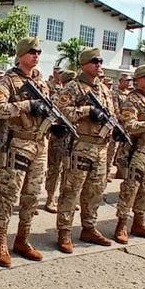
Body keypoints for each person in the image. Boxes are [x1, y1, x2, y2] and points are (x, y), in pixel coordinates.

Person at [0, 36, 52, 267]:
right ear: (21, 54)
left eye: (39, 52)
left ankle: (23, 239)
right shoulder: (8, 80)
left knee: (33, 195)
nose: (36, 55)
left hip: (39, 144)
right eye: (32, 51)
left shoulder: (42, 82)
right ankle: (0, 242)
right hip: (18, 144)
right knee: (9, 195)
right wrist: (27, 105)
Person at [53, 48, 118, 252]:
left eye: (100, 61)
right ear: (83, 64)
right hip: (80, 146)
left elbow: (112, 113)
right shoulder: (74, 87)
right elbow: (60, 112)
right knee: (71, 190)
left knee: (95, 191)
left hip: (100, 147)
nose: (98, 64)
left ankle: (89, 227)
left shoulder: (104, 90)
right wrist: (87, 111)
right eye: (94, 61)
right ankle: (64, 231)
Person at [113, 64, 145, 243]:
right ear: (138, 80)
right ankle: (122, 224)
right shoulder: (131, 100)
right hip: (138, 150)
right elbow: (129, 126)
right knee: (131, 188)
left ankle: (139, 222)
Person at [43, 69, 77, 213]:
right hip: (59, 137)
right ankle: (50, 198)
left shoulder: (79, 97)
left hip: (73, 139)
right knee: (54, 169)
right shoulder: (57, 96)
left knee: (69, 170)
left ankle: (64, 198)